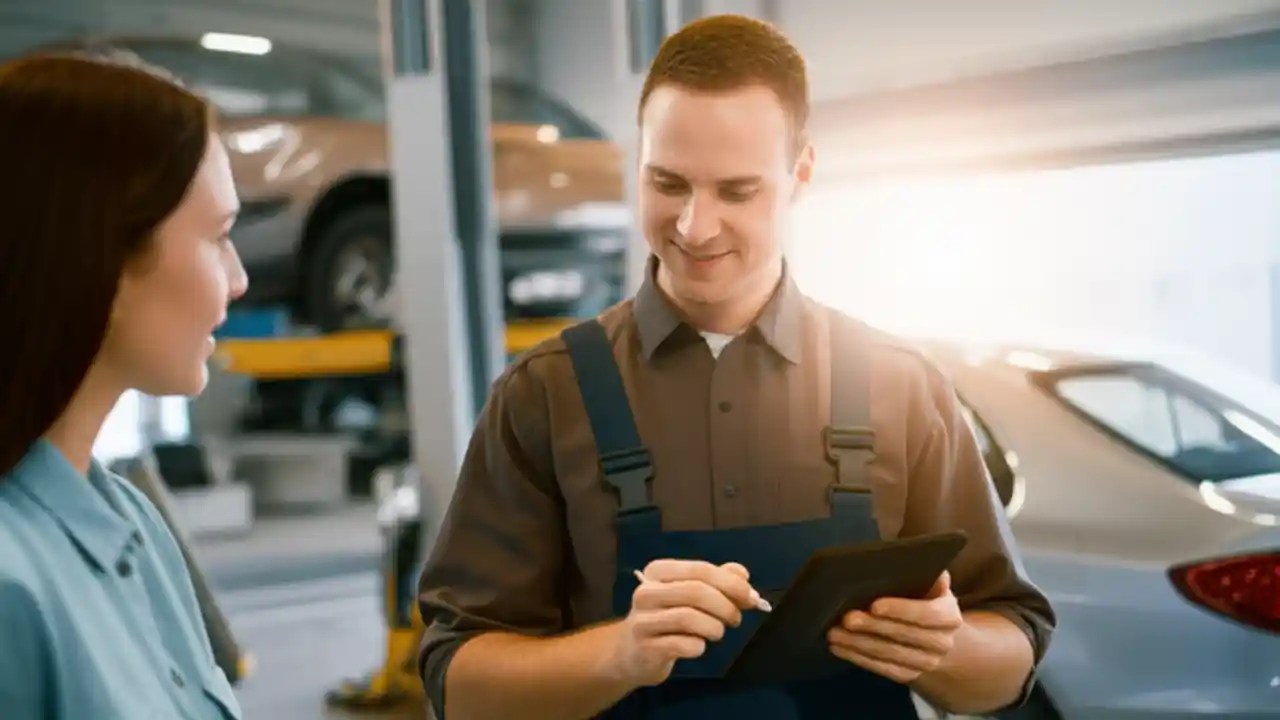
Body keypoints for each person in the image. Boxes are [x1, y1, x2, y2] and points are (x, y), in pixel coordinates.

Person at [417, 14, 1055, 720]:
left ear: (801, 174)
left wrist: (949, 652)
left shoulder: (901, 386)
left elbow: (1010, 652)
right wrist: (620, 654)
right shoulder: (542, 396)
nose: (694, 226)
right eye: (668, 183)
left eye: (737, 191)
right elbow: (458, 683)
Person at [0, 51, 248, 719]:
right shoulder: (10, 586)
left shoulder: (132, 524)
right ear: (103, 258)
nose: (238, 278)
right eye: (219, 237)